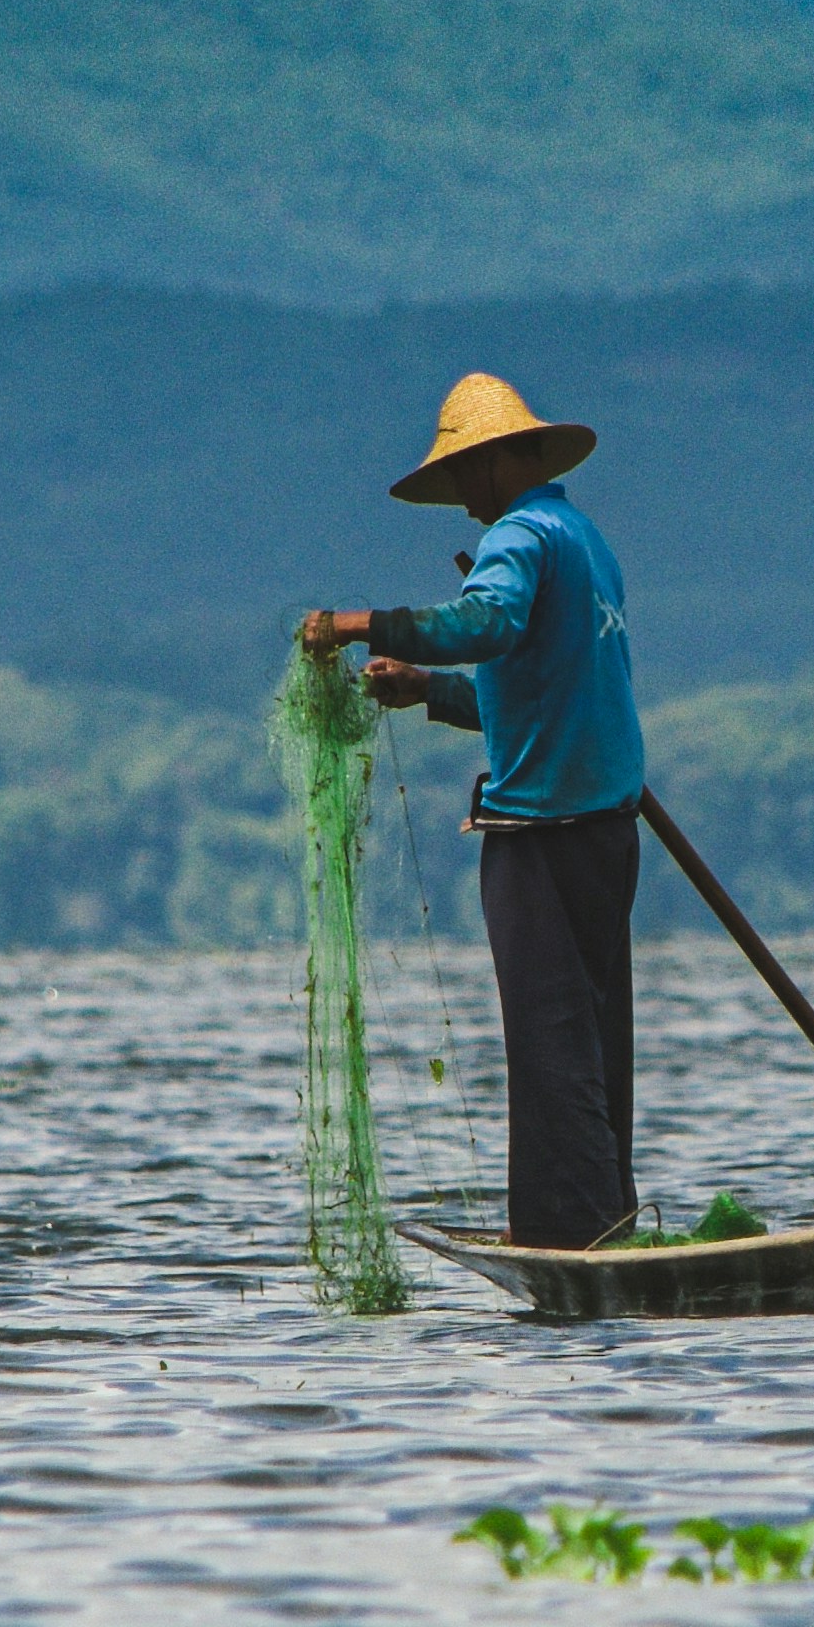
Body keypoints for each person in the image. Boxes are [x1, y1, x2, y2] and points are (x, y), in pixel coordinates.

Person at [300, 370, 645, 1249]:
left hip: (541, 832)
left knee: (548, 1045)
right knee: (594, 1043)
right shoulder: (583, 539)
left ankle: (570, 1237)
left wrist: (359, 624)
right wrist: (427, 691)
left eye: (461, 480)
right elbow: (529, 684)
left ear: (493, 464)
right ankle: (607, 1216)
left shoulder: (521, 535)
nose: (459, 505)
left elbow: (485, 624)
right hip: (607, 830)